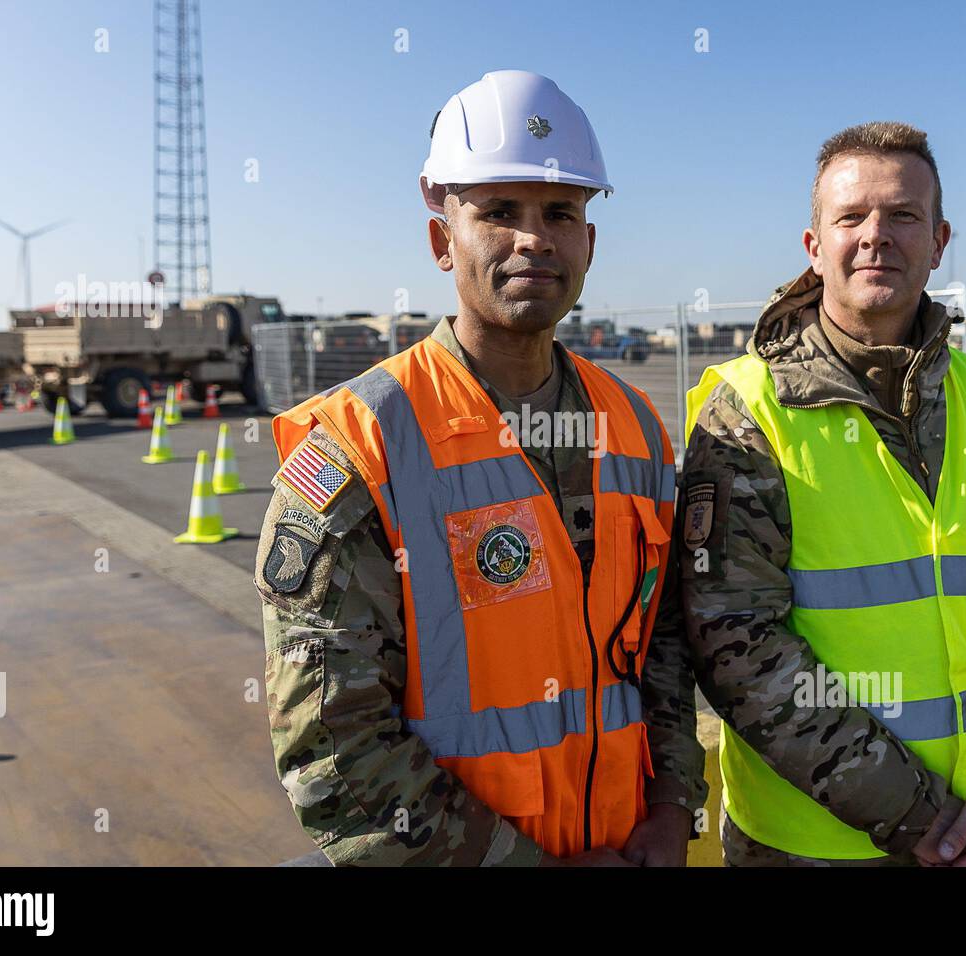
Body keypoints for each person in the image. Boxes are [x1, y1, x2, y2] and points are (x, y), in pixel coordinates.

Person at [256, 70, 706, 867]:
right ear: (442, 241)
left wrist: (672, 806)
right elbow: (335, 749)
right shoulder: (360, 445)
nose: (534, 238)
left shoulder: (635, 427)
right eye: (499, 212)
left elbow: (660, 646)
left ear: (588, 244)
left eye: (560, 214)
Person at [680, 121, 966, 866]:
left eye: (903, 215)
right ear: (813, 246)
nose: (876, 236)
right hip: (813, 847)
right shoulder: (747, 412)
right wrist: (921, 819)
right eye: (851, 216)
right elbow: (737, 645)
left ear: (939, 241)